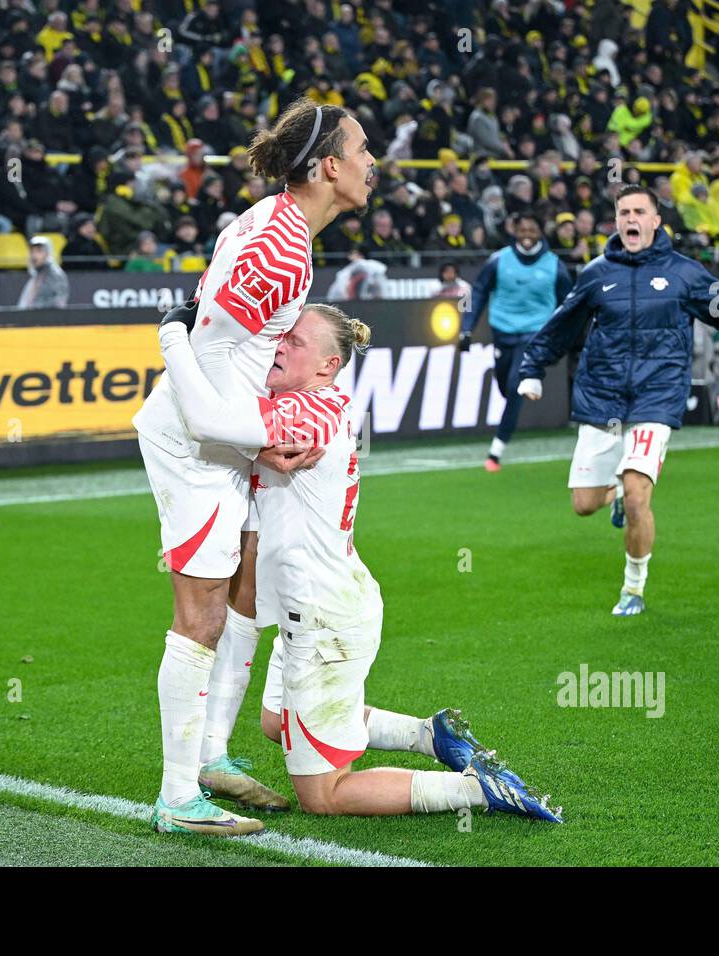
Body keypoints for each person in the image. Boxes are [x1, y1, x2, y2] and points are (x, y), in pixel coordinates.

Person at [157, 301, 563, 823]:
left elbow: (205, 419)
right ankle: (426, 734)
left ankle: (477, 791)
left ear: (328, 365)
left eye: (294, 342)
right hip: (321, 604)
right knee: (276, 718)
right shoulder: (315, 405)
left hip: (325, 616)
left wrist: (172, 336)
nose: (278, 346)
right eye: (281, 337)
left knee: (324, 796)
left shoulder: (308, 410)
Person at [130, 99, 376, 836]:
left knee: (245, 588)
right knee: (200, 616)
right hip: (197, 444)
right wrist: (251, 441)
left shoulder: (283, 230)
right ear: (328, 165)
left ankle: (210, 757)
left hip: (226, 438)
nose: (373, 164)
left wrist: (253, 440)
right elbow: (199, 362)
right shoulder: (279, 244)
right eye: (362, 150)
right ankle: (178, 798)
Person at [516, 184, 719, 616]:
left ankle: (633, 588)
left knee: (639, 491)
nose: (630, 219)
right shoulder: (596, 273)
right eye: (623, 212)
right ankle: (617, 496)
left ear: (656, 221)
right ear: (617, 221)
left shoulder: (685, 273)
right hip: (603, 396)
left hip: (657, 395)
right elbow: (560, 326)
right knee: (584, 504)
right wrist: (532, 369)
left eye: (639, 211)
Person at [458, 212, 572, 471]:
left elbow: (570, 305)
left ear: (541, 232)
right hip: (503, 334)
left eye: (533, 230)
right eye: (523, 230)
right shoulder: (499, 261)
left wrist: (563, 338)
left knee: (515, 384)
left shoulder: (554, 265)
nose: (528, 236)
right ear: (515, 232)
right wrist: (466, 330)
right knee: (506, 387)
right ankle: (510, 410)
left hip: (534, 335)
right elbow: (478, 293)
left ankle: (496, 450)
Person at [17, 235, 68, 309]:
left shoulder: (55, 275)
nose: (34, 256)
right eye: (32, 251)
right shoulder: (36, 275)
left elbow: (58, 302)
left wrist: (35, 310)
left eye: (39, 251)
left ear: (47, 253)